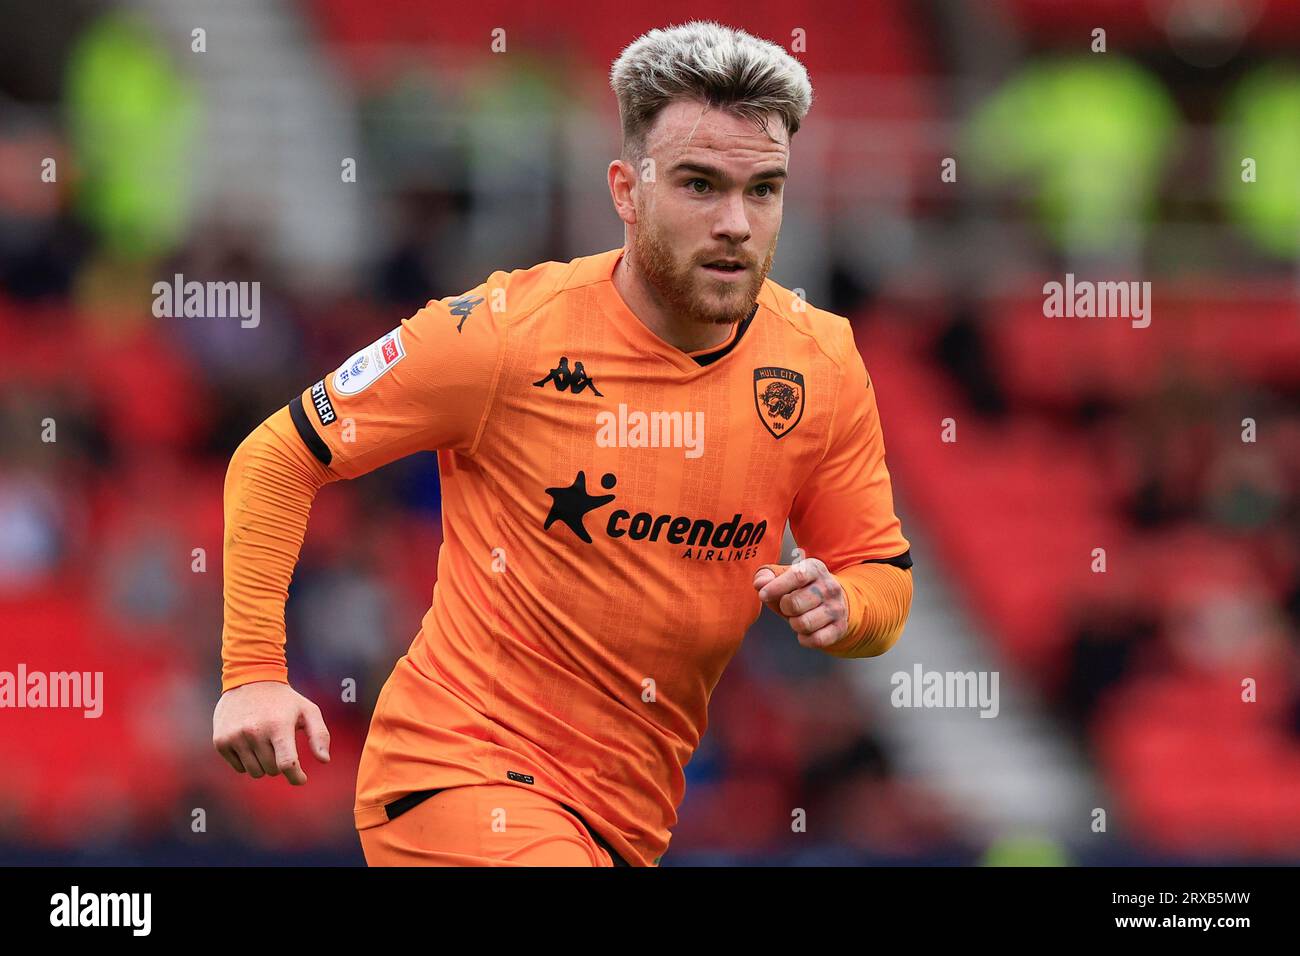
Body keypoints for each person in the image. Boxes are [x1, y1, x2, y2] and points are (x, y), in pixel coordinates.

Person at [213, 20, 913, 867]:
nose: (736, 222)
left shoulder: (820, 363)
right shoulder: (503, 333)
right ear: (626, 190)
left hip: (622, 824)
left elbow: (879, 571)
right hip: (454, 774)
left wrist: (849, 611)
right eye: (700, 185)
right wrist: (253, 671)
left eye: (762, 190)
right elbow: (277, 453)